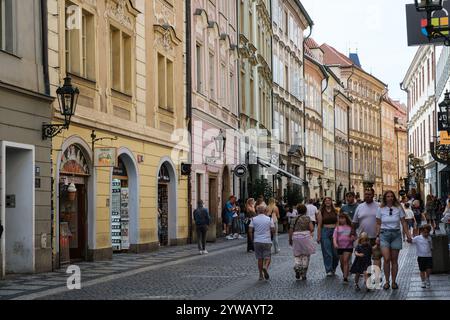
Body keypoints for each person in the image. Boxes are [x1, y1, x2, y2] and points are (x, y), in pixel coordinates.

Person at [376, 190, 412, 290]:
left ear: (394, 197)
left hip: (396, 234)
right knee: (386, 259)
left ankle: (394, 281)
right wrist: (377, 236)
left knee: (394, 260)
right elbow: (378, 223)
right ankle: (387, 281)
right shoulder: (381, 209)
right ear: (385, 198)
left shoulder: (399, 208)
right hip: (384, 234)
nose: (390, 198)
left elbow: (404, 222)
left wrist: (408, 235)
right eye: (388, 196)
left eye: (391, 196)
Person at [351, 188, 382, 270]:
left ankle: (376, 276)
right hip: (363, 239)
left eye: (369, 194)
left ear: (373, 195)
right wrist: (353, 234)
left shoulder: (379, 206)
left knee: (377, 257)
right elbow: (354, 222)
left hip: (376, 237)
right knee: (364, 259)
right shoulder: (359, 207)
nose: (367, 196)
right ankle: (367, 277)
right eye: (366, 194)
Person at [249, 204, 275, 281]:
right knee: (268, 257)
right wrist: (271, 235)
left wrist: (252, 240)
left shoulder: (253, 219)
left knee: (260, 259)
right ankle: (265, 267)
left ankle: (260, 275)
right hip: (266, 240)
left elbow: (250, 231)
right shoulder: (269, 219)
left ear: (257, 211)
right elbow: (273, 230)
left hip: (257, 241)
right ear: (265, 211)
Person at [289, 204, 315, 280]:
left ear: (297, 210)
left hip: (296, 237)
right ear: (305, 210)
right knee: (306, 255)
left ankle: (297, 266)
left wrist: (290, 239)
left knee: (297, 254)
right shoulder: (307, 218)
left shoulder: (294, 219)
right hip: (306, 237)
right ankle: (303, 274)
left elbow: (291, 229)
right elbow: (312, 228)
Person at [317, 197, 339, 277]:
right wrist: (319, 236)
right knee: (327, 252)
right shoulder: (321, 212)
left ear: (331, 202)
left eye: (329, 200)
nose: (327, 202)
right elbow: (319, 225)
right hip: (325, 231)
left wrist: (337, 232)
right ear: (324, 202)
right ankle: (329, 269)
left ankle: (333, 267)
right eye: (326, 201)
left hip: (334, 231)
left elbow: (338, 222)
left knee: (336, 253)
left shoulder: (335, 211)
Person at [333, 213, 354, 284]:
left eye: (343, 218)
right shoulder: (337, 228)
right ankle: (345, 273)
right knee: (342, 263)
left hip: (349, 246)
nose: (341, 220)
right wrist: (335, 243)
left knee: (345, 261)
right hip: (340, 247)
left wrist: (353, 238)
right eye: (340, 218)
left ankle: (345, 277)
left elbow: (354, 236)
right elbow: (334, 237)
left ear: (346, 219)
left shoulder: (350, 227)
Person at [412, 225, 433, 289]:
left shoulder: (430, 238)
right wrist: (408, 238)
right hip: (421, 257)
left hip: (429, 256)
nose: (426, 234)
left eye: (427, 232)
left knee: (429, 269)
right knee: (422, 270)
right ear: (421, 232)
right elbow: (411, 241)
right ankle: (423, 281)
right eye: (425, 232)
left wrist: (431, 248)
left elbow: (431, 246)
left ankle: (427, 278)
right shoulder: (417, 238)